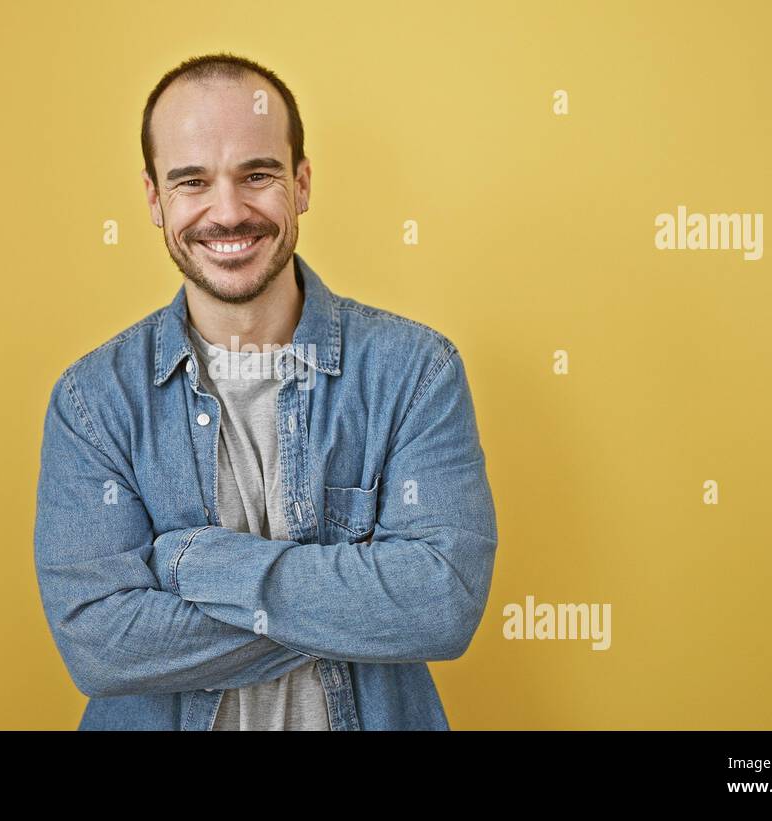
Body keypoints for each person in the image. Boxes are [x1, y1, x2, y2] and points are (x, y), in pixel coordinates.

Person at [33, 52, 498, 730]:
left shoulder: (414, 372)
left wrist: (193, 563)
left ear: (302, 183)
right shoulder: (92, 402)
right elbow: (102, 645)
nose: (228, 212)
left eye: (258, 174)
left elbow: (441, 604)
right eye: (192, 181)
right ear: (154, 198)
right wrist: (355, 604)